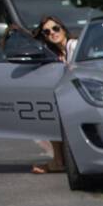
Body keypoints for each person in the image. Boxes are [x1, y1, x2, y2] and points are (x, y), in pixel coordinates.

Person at [30, 16, 72, 174]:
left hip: (80, 93)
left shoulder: (73, 45)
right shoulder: (55, 53)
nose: (52, 33)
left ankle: (59, 161)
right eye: (47, 32)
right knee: (51, 111)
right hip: (66, 94)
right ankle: (58, 160)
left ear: (63, 28)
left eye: (55, 28)